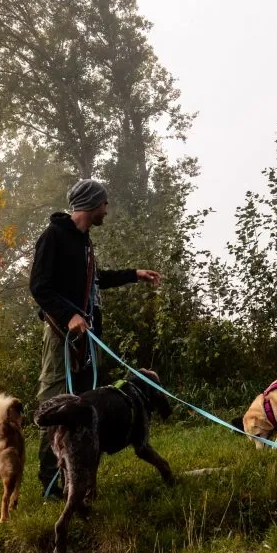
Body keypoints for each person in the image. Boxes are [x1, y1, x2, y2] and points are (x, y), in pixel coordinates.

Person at [28, 178, 161, 497]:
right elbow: (39, 286)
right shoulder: (54, 236)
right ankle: (49, 482)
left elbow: (95, 280)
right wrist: (68, 316)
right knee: (56, 404)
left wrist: (134, 275)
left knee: (83, 409)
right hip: (62, 336)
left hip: (86, 338)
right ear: (90, 204)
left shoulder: (84, 242)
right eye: (104, 203)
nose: (107, 209)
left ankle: (79, 477)